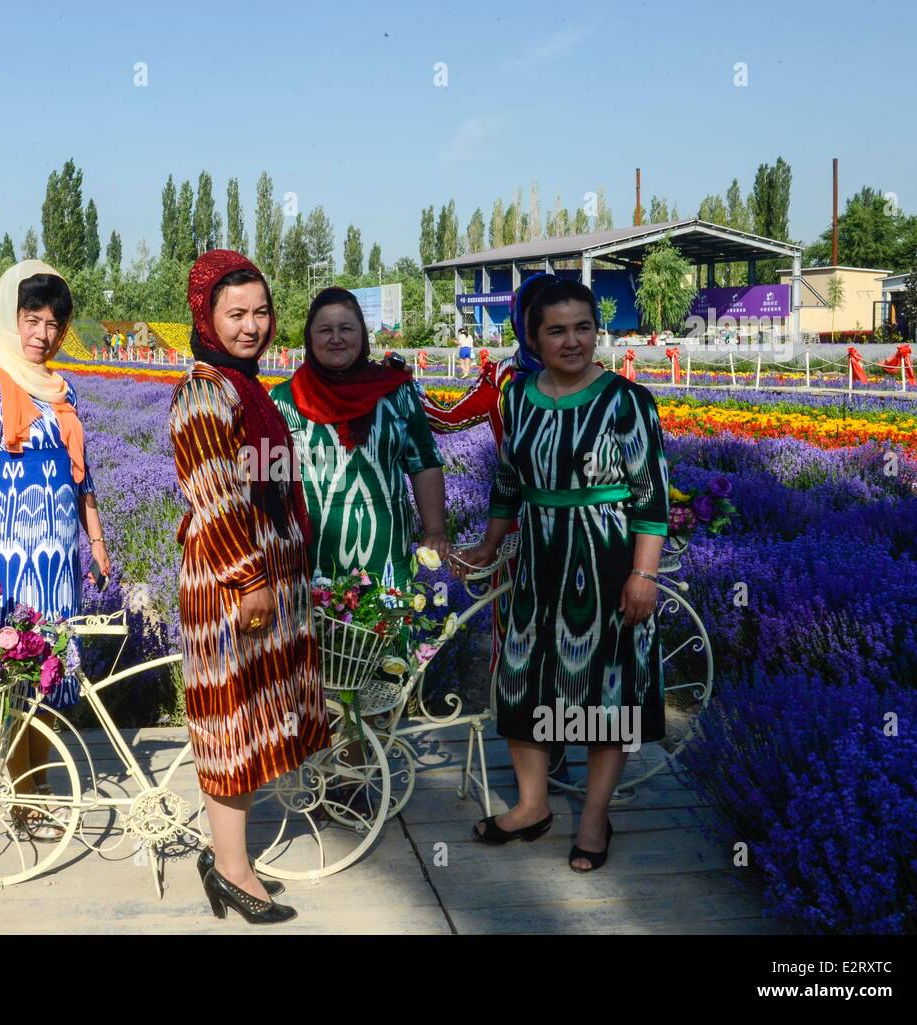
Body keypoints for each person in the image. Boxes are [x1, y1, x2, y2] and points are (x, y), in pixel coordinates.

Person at [453, 279, 669, 872]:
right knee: (524, 677)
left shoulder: (628, 401)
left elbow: (652, 501)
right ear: (532, 337)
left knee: (604, 689)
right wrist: (490, 542)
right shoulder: (518, 397)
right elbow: (506, 481)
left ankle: (594, 816)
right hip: (538, 559)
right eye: (557, 330)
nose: (572, 341)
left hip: (607, 559)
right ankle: (531, 806)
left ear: (597, 330)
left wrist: (643, 575)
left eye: (583, 327)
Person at [168, 249, 330, 924]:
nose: (251, 325)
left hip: (263, 576)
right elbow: (214, 499)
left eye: (261, 311)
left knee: (256, 719)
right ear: (206, 317)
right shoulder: (205, 391)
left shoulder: (244, 385)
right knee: (231, 722)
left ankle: (231, 858)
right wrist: (253, 580)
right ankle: (231, 870)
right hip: (233, 585)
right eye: (235, 313)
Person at [0, 260, 111, 840]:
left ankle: (36, 779)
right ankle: (22, 792)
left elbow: (81, 475)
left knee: (52, 671)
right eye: (32, 320)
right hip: (15, 553)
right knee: (22, 672)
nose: (43, 334)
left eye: (54, 324)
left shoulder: (63, 392)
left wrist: (95, 541)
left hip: (59, 553)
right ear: (9, 320)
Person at [420, 273, 570, 787]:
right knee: (517, 638)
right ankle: (533, 747)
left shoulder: (597, 383)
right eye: (540, 322)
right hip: (516, 526)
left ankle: (565, 741)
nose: (551, 335)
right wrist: (402, 391)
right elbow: (447, 422)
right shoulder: (503, 382)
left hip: (583, 534)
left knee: (572, 638)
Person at [271, 286, 449, 596]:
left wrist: (434, 530)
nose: (336, 338)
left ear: (362, 335)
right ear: (310, 338)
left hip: (389, 560)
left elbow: (425, 463)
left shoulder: (397, 391)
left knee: (388, 641)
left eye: (346, 329)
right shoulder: (282, 400)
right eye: (325, 330)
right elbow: (265, 481)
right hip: (311, 566)